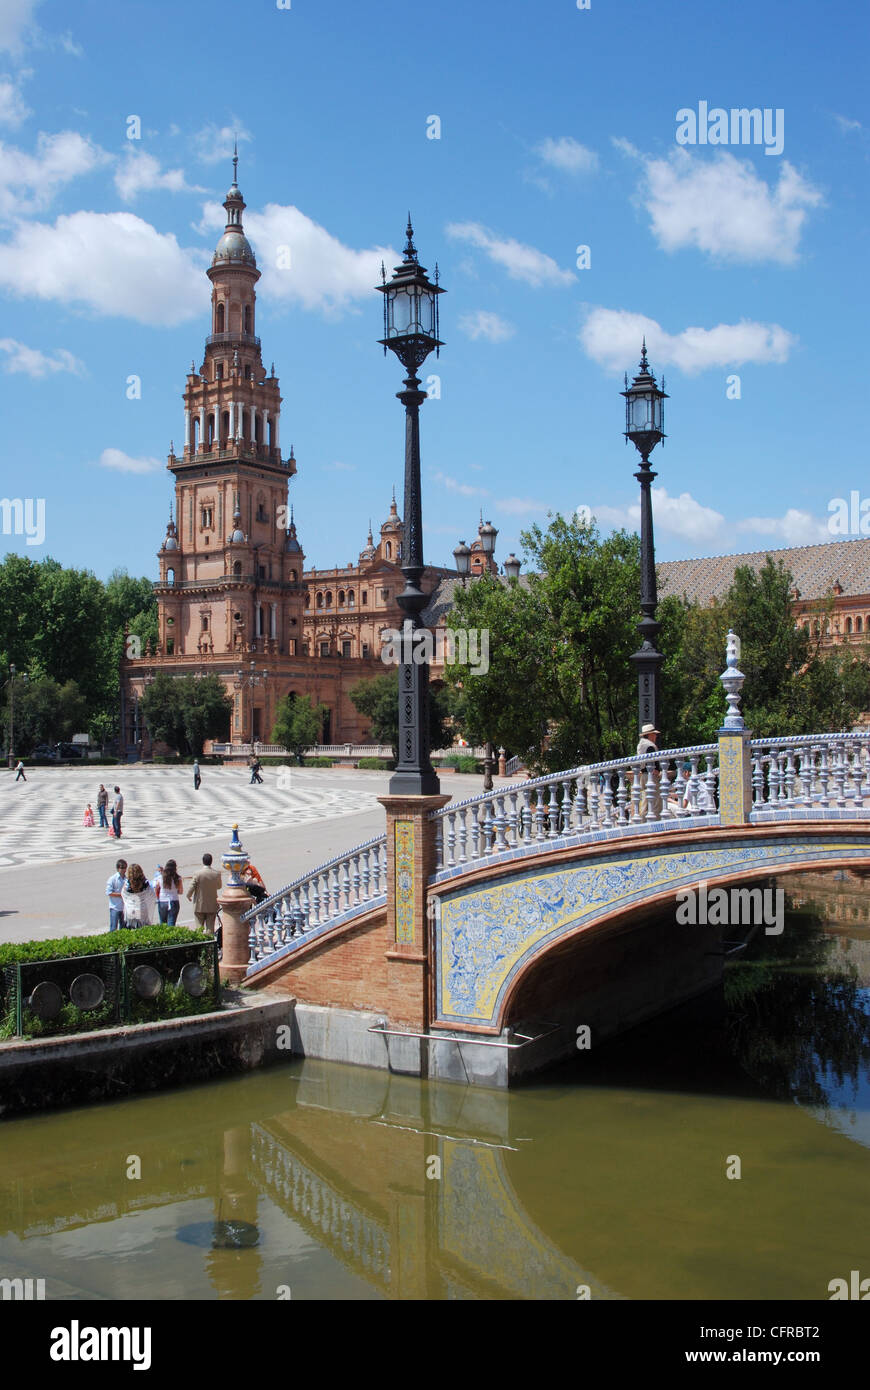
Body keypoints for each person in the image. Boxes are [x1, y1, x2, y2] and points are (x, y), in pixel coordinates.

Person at [186, 852, 222, 933]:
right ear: (211, 861)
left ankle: (201, 943)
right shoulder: (216, 873)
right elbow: (219, 886)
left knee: (199, 928)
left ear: (203, 861)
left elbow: (192, 886)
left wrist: (188, 895)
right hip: (212, 904)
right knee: (210, 928)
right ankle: (210, 944)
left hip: (199, 904)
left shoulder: (198, 873)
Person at [121, 863, 158, 928]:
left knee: (131, 929)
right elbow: (152, 894)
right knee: (143, 929)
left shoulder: (127, 884)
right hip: (142, 908)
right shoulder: (145, 883)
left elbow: (123, 894)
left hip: (131, 908)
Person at [636, 723, 661, 818]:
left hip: (644, 776)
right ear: (650, 734)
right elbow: (650, 762)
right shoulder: (650, 746)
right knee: (654, 803)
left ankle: (642, 821)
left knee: (646, 800)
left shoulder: (641, 745)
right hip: (650, 776)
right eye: (654, 734)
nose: (655, 736)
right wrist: (655, 771)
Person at [156, 859, 184, 925]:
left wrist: (158, 896)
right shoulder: (177, 878)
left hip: (162, 900)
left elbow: (156, 888)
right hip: (173, 900)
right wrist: (174, 891)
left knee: (163, 923)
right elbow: (181, 891)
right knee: (171, 922)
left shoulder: (161, 877)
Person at [106, 858, 128, 932]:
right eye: (122, 868)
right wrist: (121, 895)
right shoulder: (112, 879)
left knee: (123, 928)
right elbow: (109, 892)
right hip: (114, 907)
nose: (124, 870)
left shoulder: (126, 879)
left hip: (124, 907)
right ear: (118, 868)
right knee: (113, 928)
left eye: (125, 868)